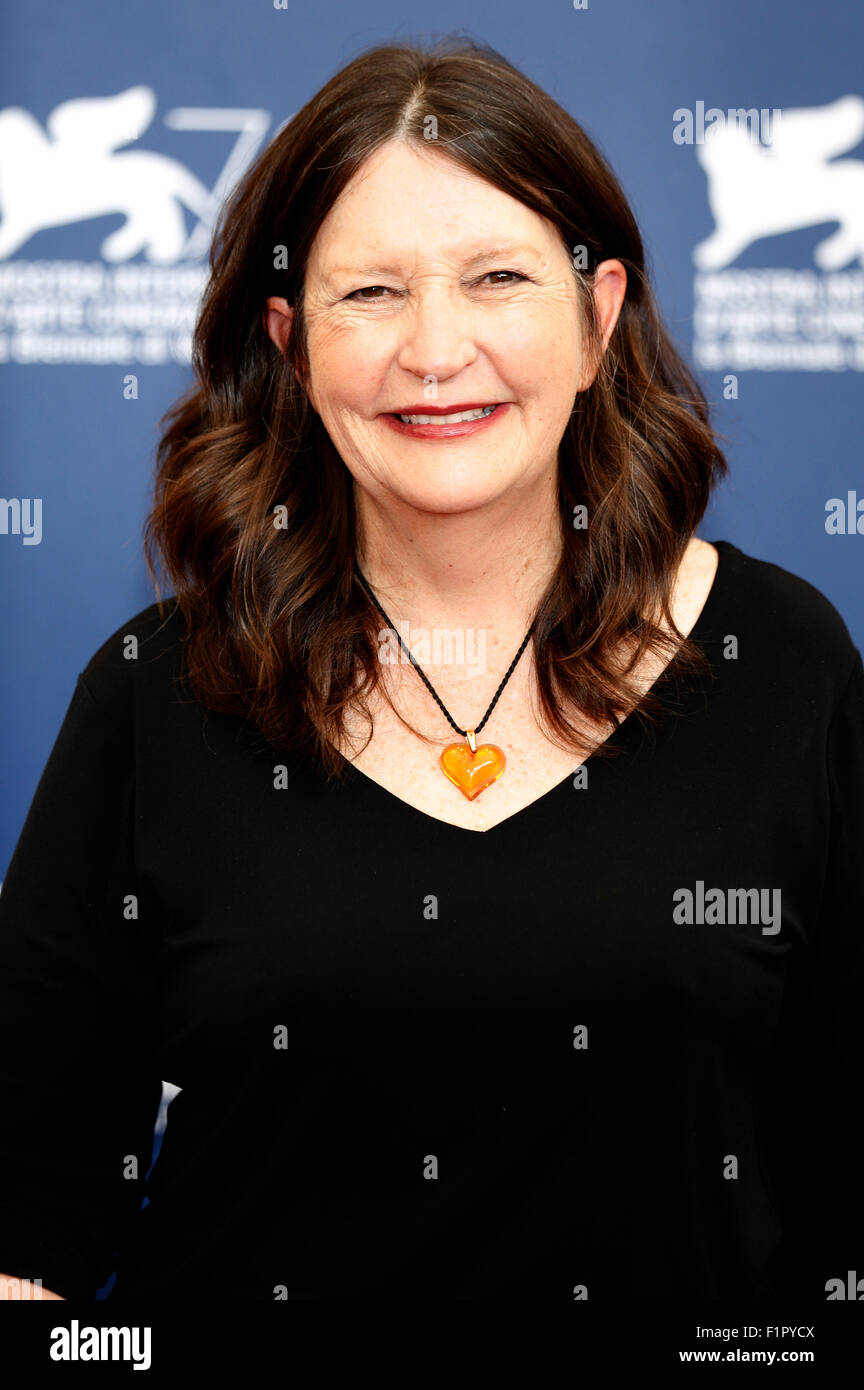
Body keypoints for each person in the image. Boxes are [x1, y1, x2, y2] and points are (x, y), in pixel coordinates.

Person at [0, 38, 861, 1302]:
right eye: (372, 295)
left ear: (598, 319)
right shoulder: (156, 690)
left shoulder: (784, 664)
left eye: (498, 277)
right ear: (292, 347)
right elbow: (32, 1201)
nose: (435, 348)